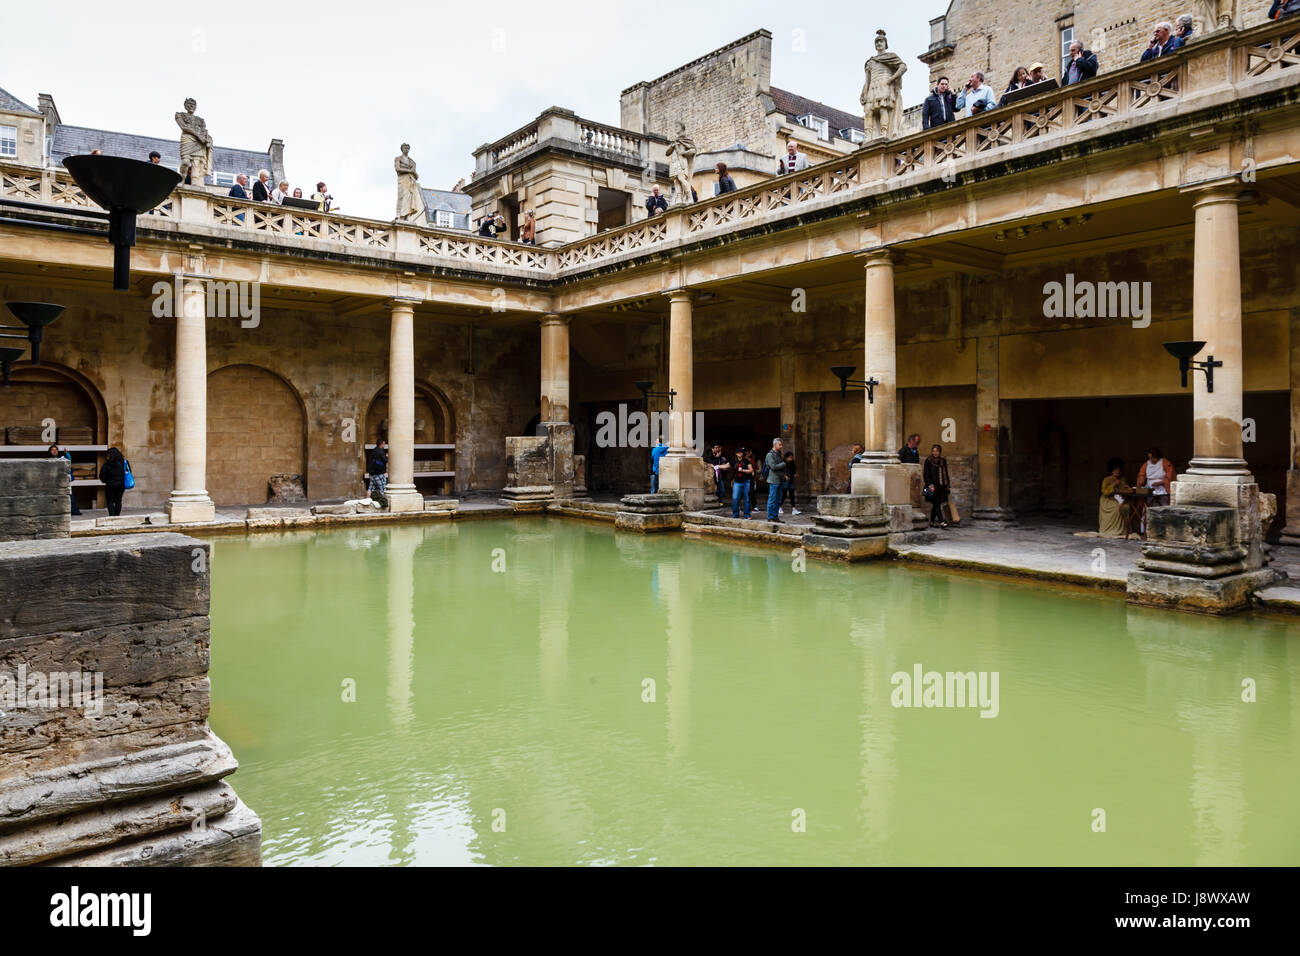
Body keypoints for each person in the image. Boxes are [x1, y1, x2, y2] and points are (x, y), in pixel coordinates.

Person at [1099, 457, 1134, 538]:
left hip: (1119, 498)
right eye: (1115, 469)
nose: (1117, 471)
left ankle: (1125, 530)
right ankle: (1112, 530)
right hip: (1108, 499)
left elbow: (1125, 488)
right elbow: (1104, 492)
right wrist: (1113, 484)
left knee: (1127, 506)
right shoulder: (1106, 479)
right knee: (1116, 508)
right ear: (1111, 470)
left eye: (1119, 469)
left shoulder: (1123, 478)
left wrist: (1124, 491)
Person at [923, 443, 951, 528]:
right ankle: (941, 521)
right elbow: (926, 474)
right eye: (933, 451)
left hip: (941, 486)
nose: (935, 453)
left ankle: (932, 522)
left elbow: (945, 473)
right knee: (937, 503)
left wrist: (948, 485)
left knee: (936, 504)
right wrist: (929, 484)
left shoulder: (943, 461)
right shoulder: (928, 460)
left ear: (940, 452)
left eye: (937, 451)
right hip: (933, 486)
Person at [50, 444, 81, 516]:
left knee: (70, 496)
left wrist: (67, 453)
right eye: (52, 450)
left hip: (64, 481)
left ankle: (74, 511)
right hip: (54, 482)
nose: (54, 451)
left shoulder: (61, 458)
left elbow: (69, 461)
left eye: (56, 449)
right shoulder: (48, 460)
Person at [99, 446, 127, 517]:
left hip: (110, 485)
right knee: (118, 500)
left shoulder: (107, 464)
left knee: (110, 501)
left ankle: (112, 516)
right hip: (121, 484)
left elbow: (102, 475)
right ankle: (117, 516)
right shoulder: (124, 463)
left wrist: (106, 481)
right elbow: (128, 472)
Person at [764, 438, 787, 522]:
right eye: (780, 445)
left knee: (778, 499)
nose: (781, 446)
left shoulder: (778, 454)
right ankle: (770, 517)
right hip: (774, 480)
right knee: (772, 499)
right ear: (775, 445)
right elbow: (773, 467)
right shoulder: (770, 455)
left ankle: (775, 516)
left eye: (781, 444)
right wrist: (783, 464)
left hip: (780, 479)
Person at [364, 439, 388, 507]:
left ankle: (367, 503)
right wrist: (387, 456)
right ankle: (383, 503)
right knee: (382, 488)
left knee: (370, 488)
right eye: (384, 444)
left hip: (372, 474)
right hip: (378, 473)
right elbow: (385, 460)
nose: (384, 445)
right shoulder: (380, 451)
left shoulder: (373, 450)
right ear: (382, 444)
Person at [732, 447, 755, 518]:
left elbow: (751, 470)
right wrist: (716, 466)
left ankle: (747, 514)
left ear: (743, 453)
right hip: (737, 482)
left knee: (747, 499)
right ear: (736, 454)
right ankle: (735, 514)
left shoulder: (746, 461)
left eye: (741, 452)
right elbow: (726, 465)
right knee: (735, 498)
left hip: (746, 482)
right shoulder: (733, 461)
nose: (740, 453)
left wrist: (743, 470)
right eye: (738, 452)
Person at [779, 451, 800, 516]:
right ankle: (779, 507)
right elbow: (780, 471)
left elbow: (793, 471)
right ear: (786, 457)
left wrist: (795, 475)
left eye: (791, 457)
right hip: (785, 480)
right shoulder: (782, 463)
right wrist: (784, 476)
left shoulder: (792, 463)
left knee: (792, 494)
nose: (791, 458)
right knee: (784, 494)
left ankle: (794, 509)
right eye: (789, 457)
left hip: (791, 480)